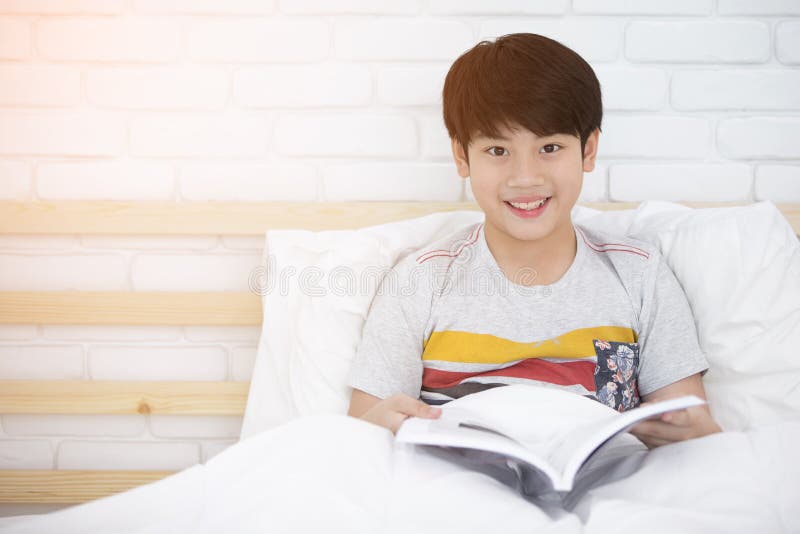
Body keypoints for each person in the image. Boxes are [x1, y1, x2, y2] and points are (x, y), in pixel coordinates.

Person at [345, 33, 721, 449]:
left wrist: (694, 433)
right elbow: (362, 436)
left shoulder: (639, 276)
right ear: (461, 157)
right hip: (457, 494)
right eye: (497, 150)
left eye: (550, 147)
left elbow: (690, 435)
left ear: (589, 150)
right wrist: (378, 426)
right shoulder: (421, 282)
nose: (525, 178)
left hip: (609, 494)